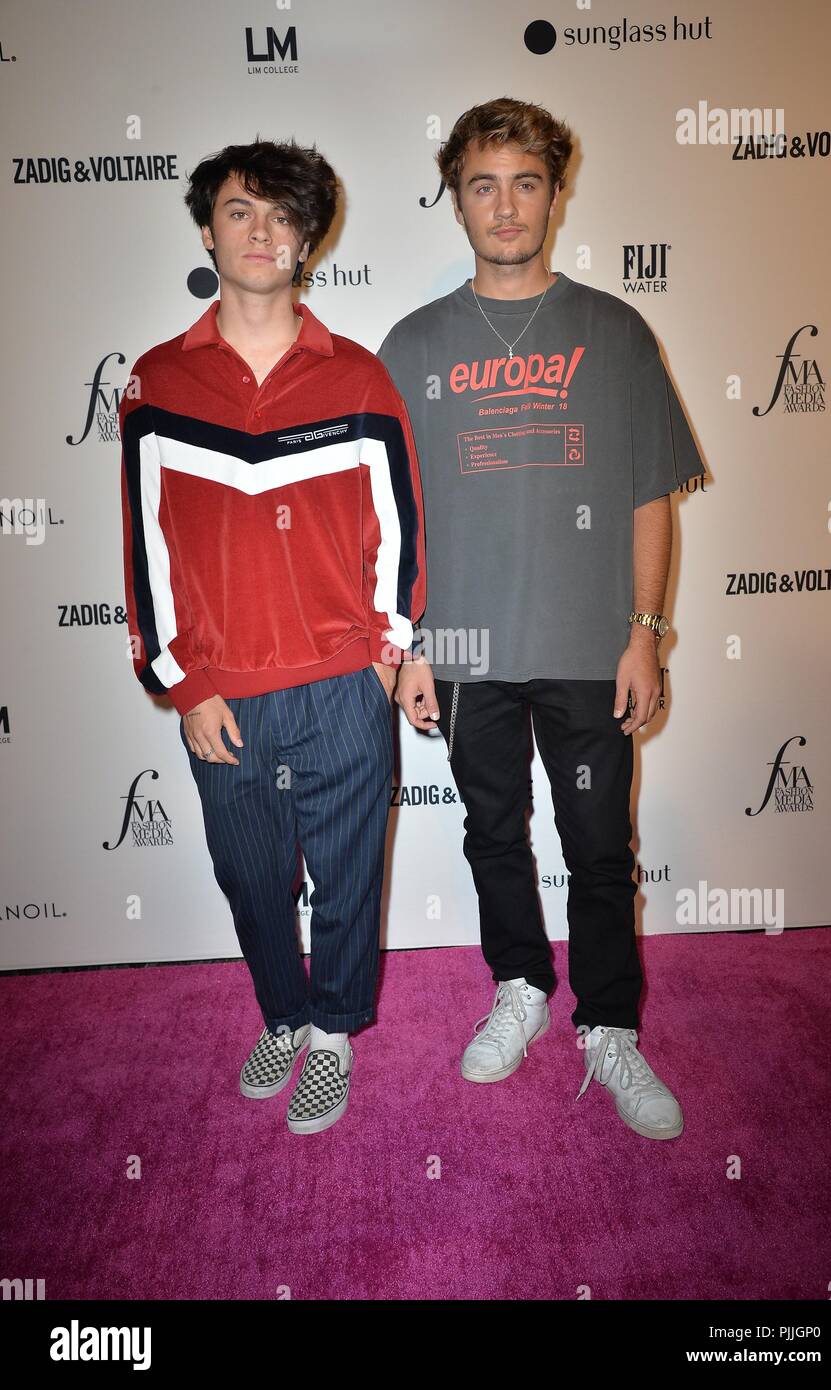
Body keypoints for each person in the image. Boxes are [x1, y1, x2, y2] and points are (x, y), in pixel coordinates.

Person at [379, 98, 704, 1141]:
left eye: (525, 182)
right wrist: (407, 646)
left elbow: (648, 493)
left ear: (556, 195)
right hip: (464, 644)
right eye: (483, 184)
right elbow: (387, 514)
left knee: (599, 843)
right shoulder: (411, 342)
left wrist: (645, 629)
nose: (505, 204)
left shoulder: (613, 331)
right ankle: (520, 984)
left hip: (585, 641)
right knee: (492, 833)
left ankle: (608, 1022)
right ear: (456, 199)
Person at [119, 137, 426, 1135]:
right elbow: (146, 548)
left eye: (282, 216)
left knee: (347, 877)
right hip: (223, 692)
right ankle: (285, 1016)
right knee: (252, 877)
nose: (261, 232)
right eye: (241, 211)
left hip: (344, 682)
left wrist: (389, 651)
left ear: (308, 241)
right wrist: (182, 679)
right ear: (209, 229)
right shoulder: (160, 381)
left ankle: (333, 1031)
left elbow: (400, 528)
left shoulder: (361, 378)